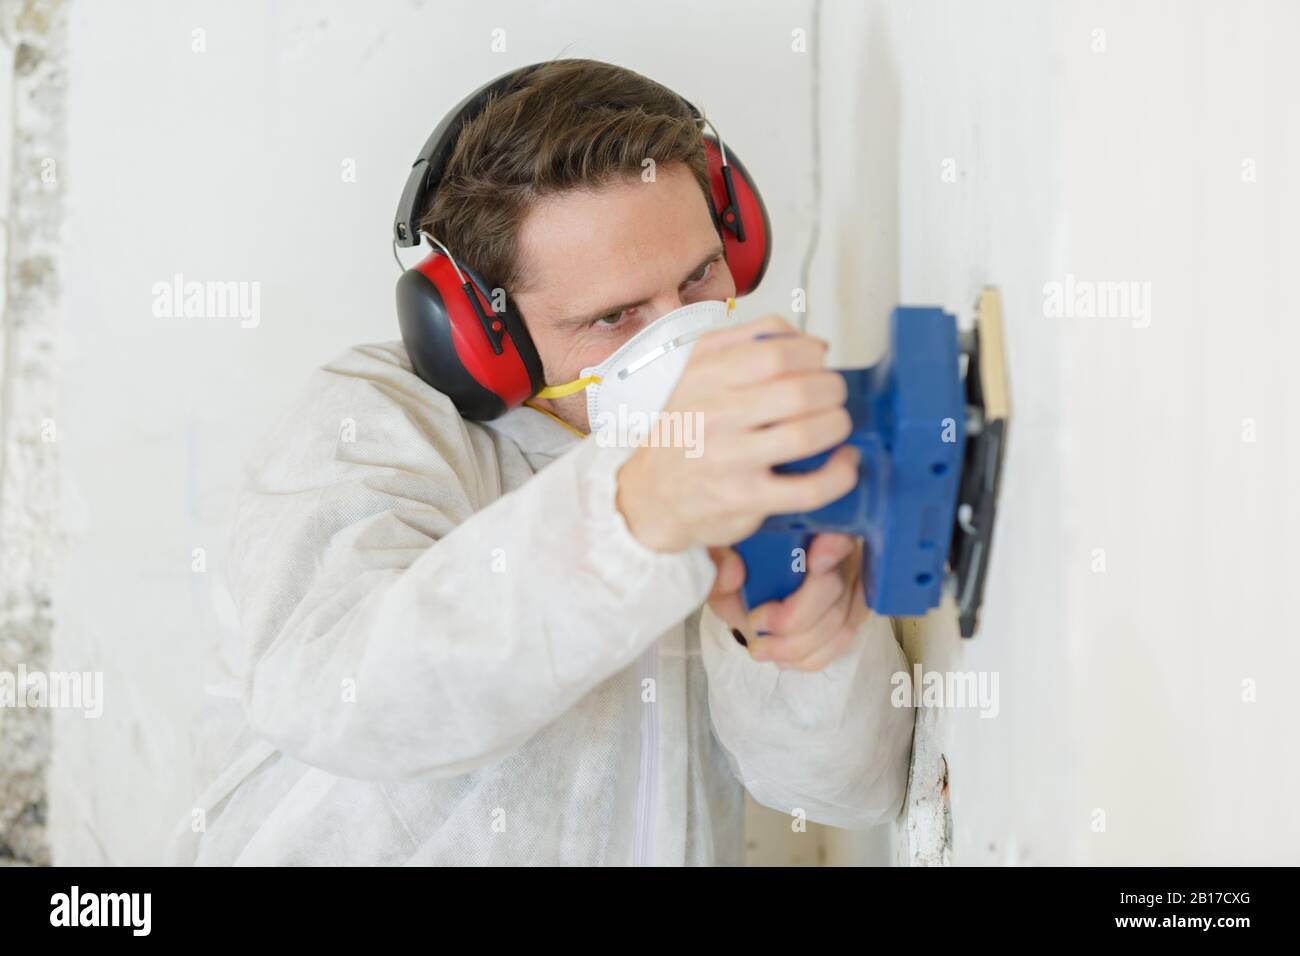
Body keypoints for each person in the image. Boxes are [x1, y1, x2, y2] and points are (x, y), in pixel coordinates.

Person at [176, 58, 913, 866]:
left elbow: (852, 793)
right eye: (614, 316)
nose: (683, 333)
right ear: (485, 341)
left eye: (701, 274)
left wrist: (801, 653)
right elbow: (337, 695)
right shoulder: (372, 425)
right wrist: (634, 516)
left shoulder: (735, 451)